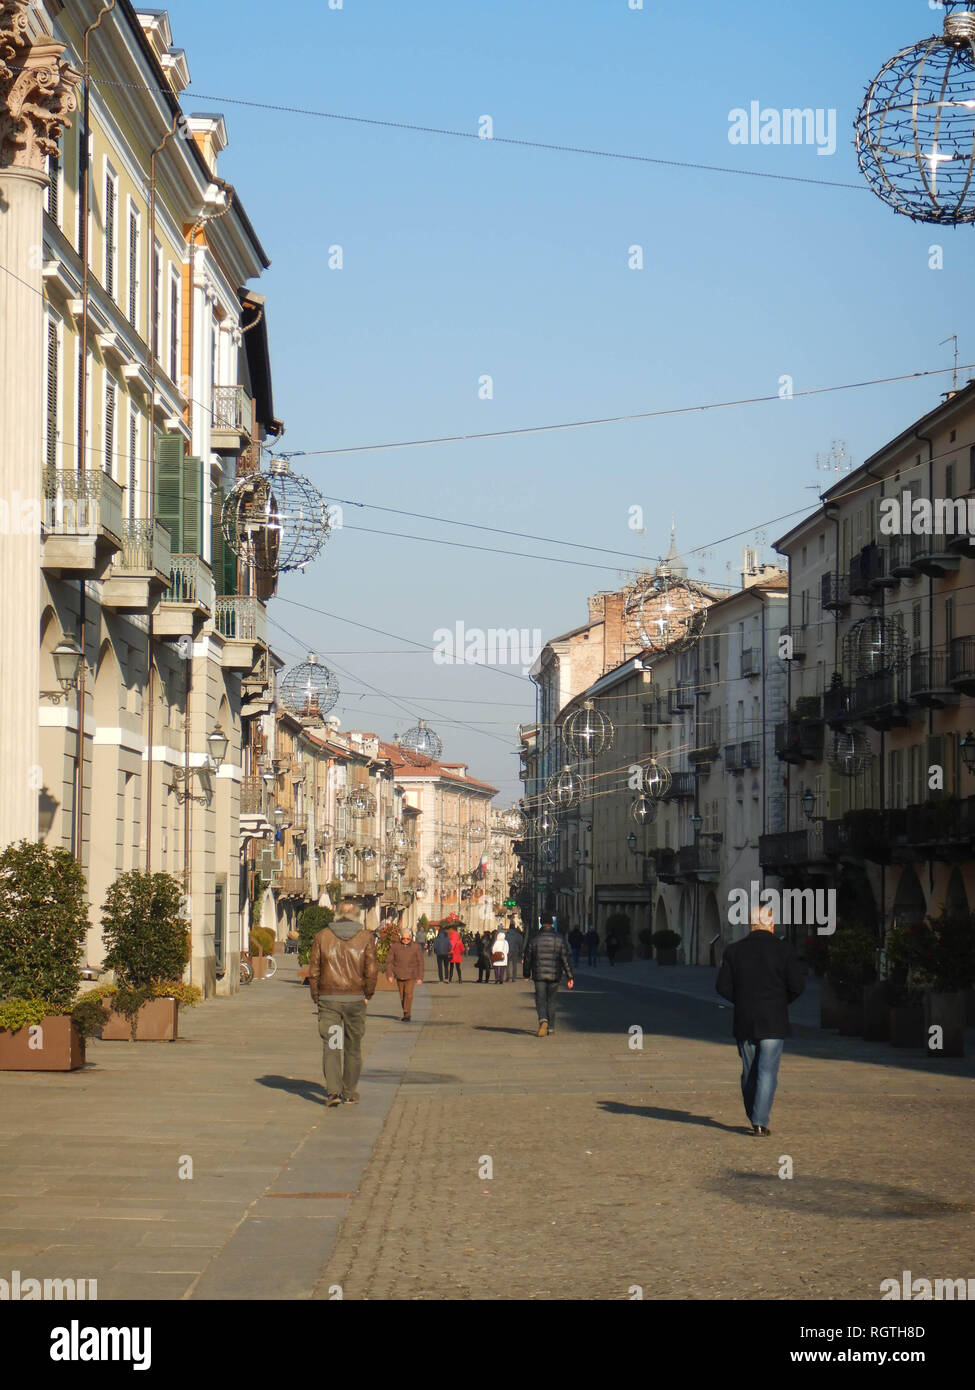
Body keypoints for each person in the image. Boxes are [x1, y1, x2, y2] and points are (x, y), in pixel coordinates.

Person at [715, 905, 806, 1136]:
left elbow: (722, 986)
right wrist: (780, 1001)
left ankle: (753, 1114)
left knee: (749, 1071)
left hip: (745, 1018)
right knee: (767, 1071)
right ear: (771, 925)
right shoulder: (784, 950)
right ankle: (759, 1120)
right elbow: (798, 986)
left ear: (750, 924)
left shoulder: (734, 951)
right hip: (774, 1020)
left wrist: (742, 999)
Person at [308, 895, 377, 1107]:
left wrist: (317, 996)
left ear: (337, 915)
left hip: (330, 1000)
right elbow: (372, 970)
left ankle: (333, 1091)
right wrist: (368, 994)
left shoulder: (322, 936)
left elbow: (314, 971)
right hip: (355, 1000)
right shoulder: (365, 938)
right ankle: (349, 1092)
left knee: (332, 1044)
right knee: (353, 1046)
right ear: (356, 916)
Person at [523, 911, 574, 1036]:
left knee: (540, 999)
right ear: (552, 923)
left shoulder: (534, 939)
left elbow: (528, 958)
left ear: (541, 923)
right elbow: (565, 958)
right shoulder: (559, 939)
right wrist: (570, 976)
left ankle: (543, 1020)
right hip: (555, 975)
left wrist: (526, 974)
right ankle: (551, 1028)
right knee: (552, 1000)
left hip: (539, 974)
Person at [384, 925, 425, 1022]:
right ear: (400, 937)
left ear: (411, 938)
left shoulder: (415, 947)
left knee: (408, 993)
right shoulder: (395, 946)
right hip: (399, 973)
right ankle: (405, 1011)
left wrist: (420, 977)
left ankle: (407, 1013)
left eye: (408, 938)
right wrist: (389, 974)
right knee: (402, 995)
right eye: (404, 938)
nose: (406, 940)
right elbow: (389, 961)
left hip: (411, 974)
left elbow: (420, 962)